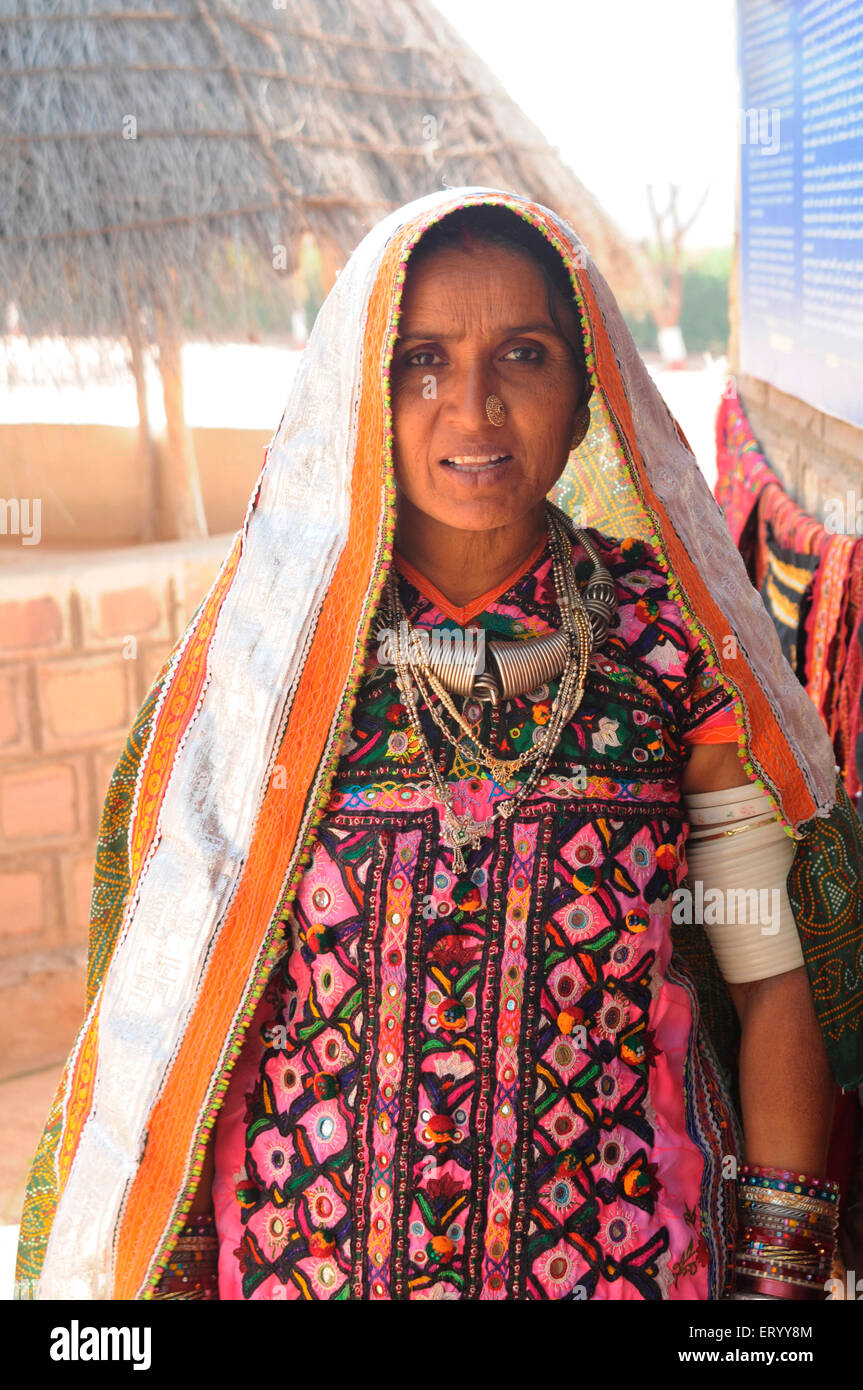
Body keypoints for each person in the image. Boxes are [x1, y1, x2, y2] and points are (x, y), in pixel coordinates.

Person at [17, 188, 863, 1302]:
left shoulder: (666, 635)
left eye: (522, 353)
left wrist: (778, 1286)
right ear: (364, 389)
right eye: (421, 358)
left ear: (583, 398)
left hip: (627, 1267)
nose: (473, 407)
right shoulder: (277, 650)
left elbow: (766, 976)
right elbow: (181, 1004)